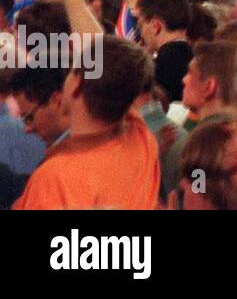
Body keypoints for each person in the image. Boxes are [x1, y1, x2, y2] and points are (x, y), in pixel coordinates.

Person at [13, 36, 159, 210]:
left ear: (77, 83)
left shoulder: (54, 179)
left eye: (72, 71)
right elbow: (121, 69)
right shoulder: (142, 139)